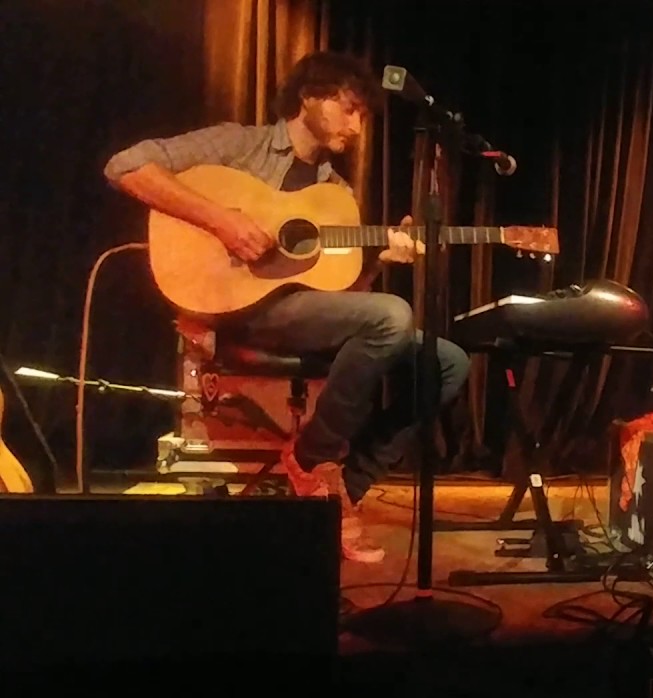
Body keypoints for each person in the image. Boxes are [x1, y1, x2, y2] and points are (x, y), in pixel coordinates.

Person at [103, 51, 471, 563]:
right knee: (391, 316)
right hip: (237, 309)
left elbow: (342, 300)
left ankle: (339, 491)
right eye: (349, 109)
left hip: (298, 315)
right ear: (309, 97)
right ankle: (315, 458)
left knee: (448, 362)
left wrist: (381, 261)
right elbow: (124, 166)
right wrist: (220, 221)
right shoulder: (239, 144)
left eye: (363, 116)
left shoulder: (335, 195)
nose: (358, 128)